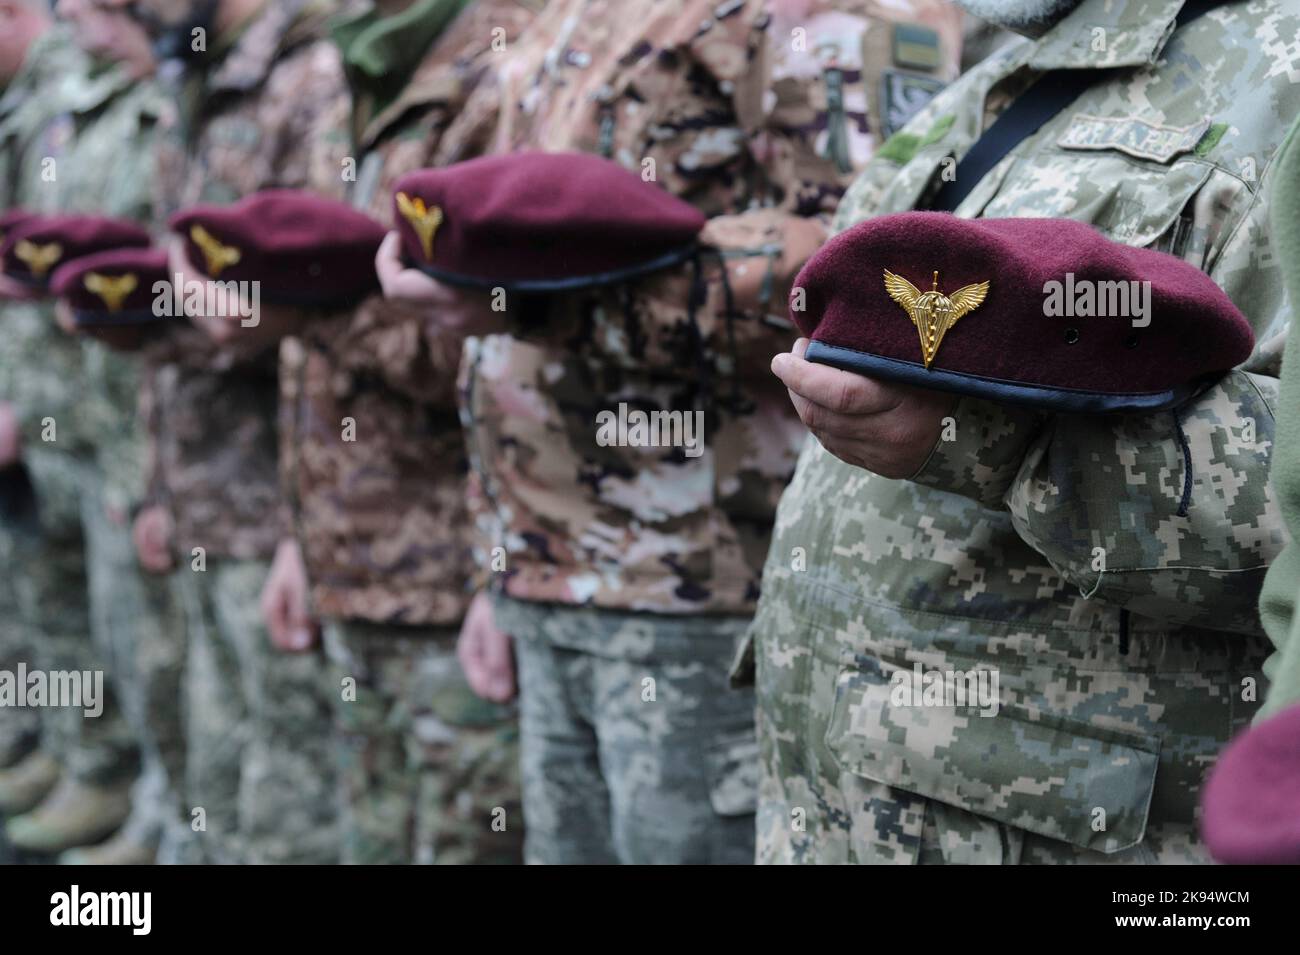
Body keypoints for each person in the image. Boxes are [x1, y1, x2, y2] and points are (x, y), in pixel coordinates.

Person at [376, 0, 963, 863]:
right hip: (549, 580)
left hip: (706, 599)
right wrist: (497, 563)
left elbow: (882, 273)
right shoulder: (563, 17)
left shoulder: (822, 14)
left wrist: (545, 299)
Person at [751, 0, 1300, 863]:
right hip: (834, 799)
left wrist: (985, 435)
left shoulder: (1283, 72)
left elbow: (1292, 509)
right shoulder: (1000, 77)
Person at [260, 0, 537, 865]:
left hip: (456, 584)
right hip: (352, 565)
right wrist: (297, 534)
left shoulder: (503, 71)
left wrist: (300, 311)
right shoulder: (345, 72)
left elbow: (488, 339)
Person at [126, 0, 352, 865]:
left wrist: (303, 527)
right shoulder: (190, 77)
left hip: (275, 503)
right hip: (202, 496)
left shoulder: (306, 76)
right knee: (216, 769)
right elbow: (174, 289)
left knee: (289, 799)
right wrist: (158, 485)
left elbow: (328, 309)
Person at [0, 0, 142, 858]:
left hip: (89, 412)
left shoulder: (77, 89)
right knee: (48, 598)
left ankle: (105, 766)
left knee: (108, 618)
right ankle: (70, 749)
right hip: (46, 404)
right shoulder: (41, 98)